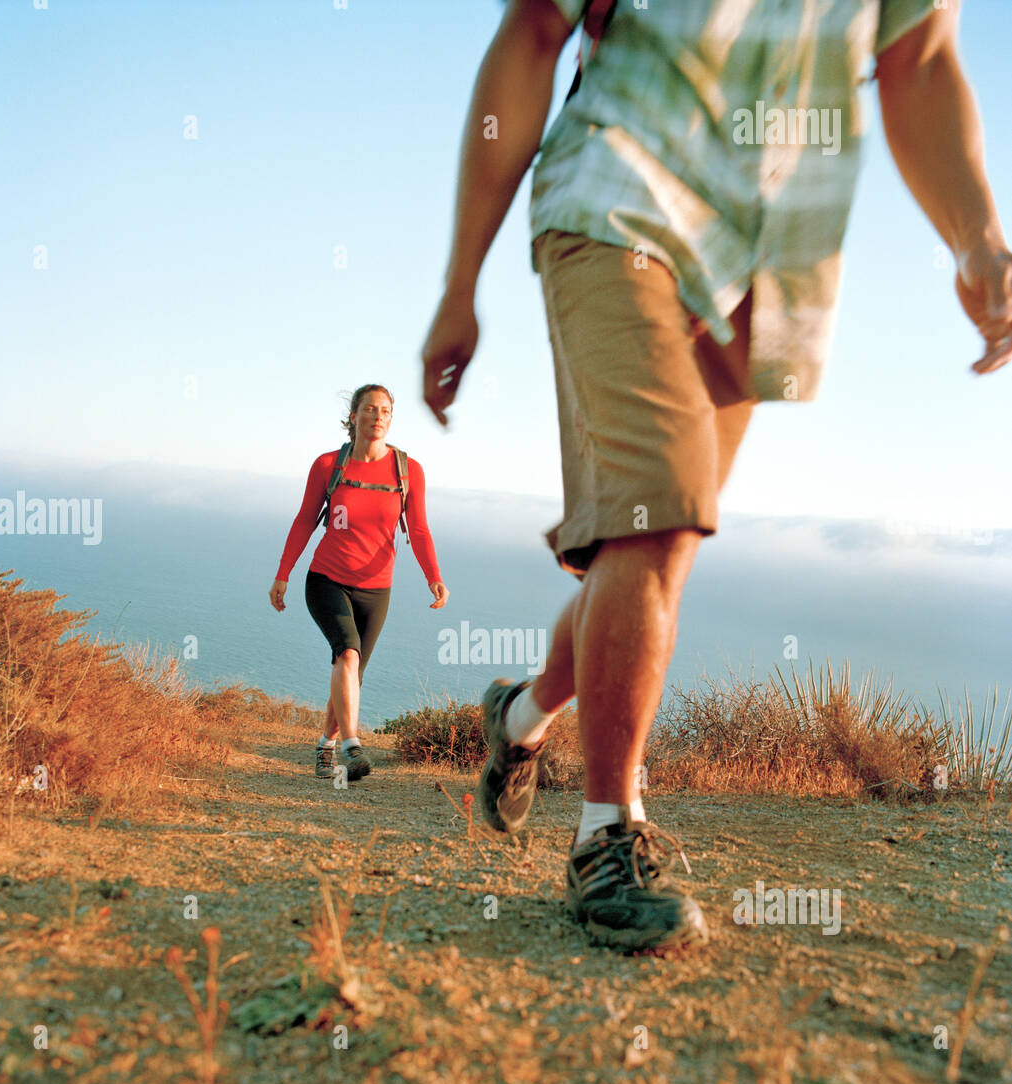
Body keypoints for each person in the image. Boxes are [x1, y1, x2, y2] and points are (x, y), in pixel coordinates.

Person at [421, 0, 1012, 952]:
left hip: (769, 261)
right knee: (657, 517)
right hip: (614, 197)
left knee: (651, 544)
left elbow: (921, 59)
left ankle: (521, 716)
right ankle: (607, 835)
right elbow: (535, 30)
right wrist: (460, 284)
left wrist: (976, 233)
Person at [269, 384, 448, 781]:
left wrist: (434, 578)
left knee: (350, 672)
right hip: (326, 579)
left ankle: (325, 747)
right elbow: (304, 520)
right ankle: (352, 746)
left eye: (385, 410)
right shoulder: (328, 465)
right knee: (347, 655)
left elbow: (418, 530)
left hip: (376, 589)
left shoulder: (408, 471)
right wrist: (283, 573)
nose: (378, 415)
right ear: (354, 416)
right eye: (370, 408)